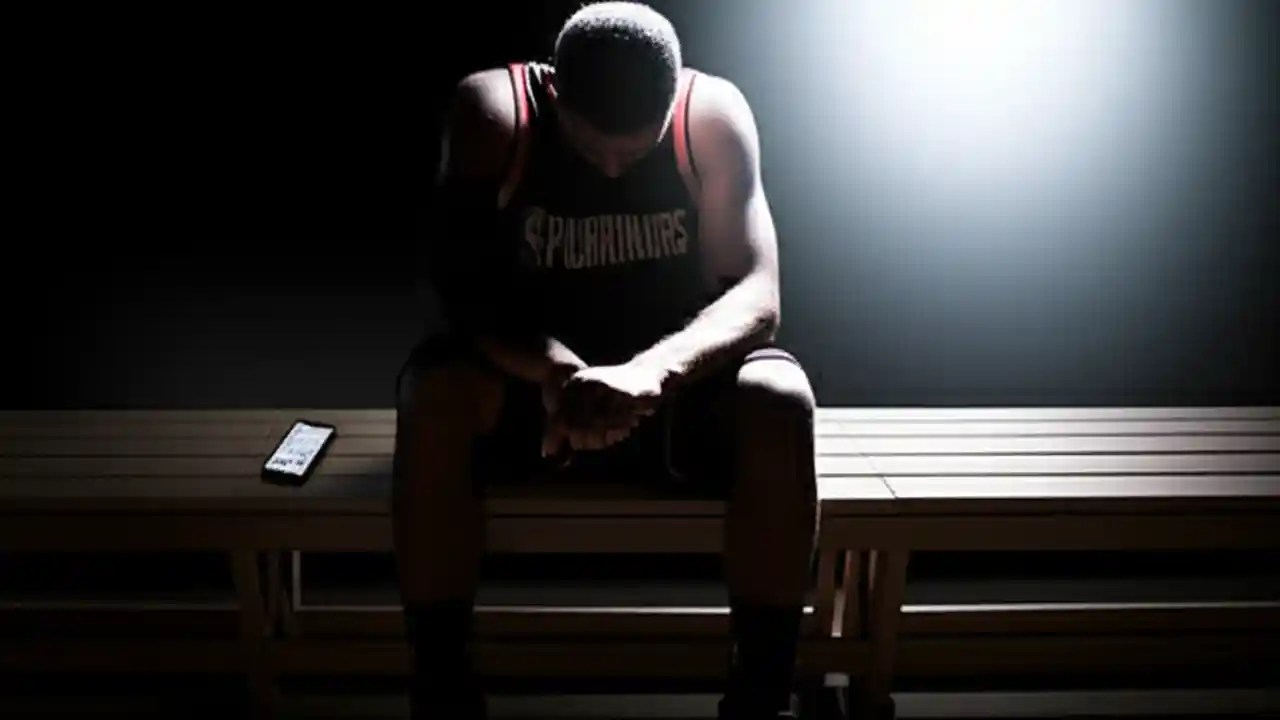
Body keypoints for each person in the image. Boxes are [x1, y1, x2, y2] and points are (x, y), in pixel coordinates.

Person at [394, 2, 818, 718]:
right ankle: (441, 685)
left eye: (636, 150)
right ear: (555, 93)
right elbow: (457, 287)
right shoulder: (495, 112)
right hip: (532, 388)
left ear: (673, 93)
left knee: (780, 397)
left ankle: (762, 692)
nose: (616, 167)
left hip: (671, 387)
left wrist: (648, 373)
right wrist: (558, 370)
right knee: (433, 393)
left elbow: (757, 291)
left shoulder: (707, 116)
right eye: (594, 151)